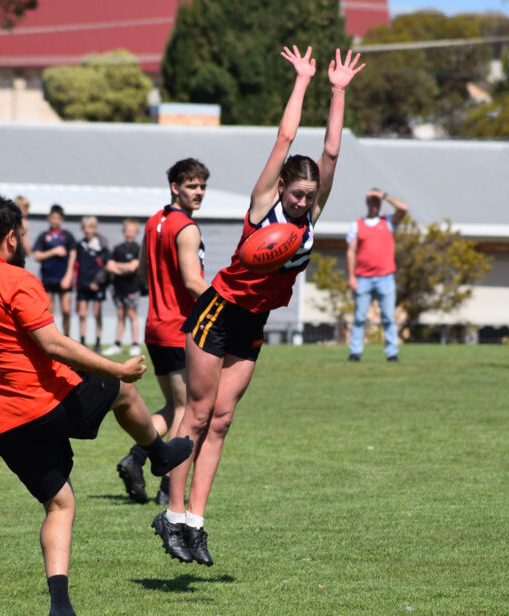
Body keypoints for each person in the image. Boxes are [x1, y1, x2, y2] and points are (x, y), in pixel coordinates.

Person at [0, 194, 193, 616]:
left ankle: (61, 608)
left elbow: (9, 344)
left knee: (60, 504)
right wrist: (116, 368)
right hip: (41, 405)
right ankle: (157, 454)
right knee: (124, 390)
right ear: (10, 237)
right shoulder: (16, 280)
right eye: (19, 233)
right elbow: (52, 344)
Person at [151, 46, 364, 566]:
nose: (303, 202)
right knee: (196, 415)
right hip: (217, 311)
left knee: (221, 421)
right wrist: (302, 81)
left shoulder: (310, 216)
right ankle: (172, 515)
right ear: (282, 189)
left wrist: (337, 92)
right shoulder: (263, 204)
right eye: (297, 194)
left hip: (254, 323)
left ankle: (197, 522)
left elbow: (331, 154)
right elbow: (285, 138)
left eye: (310, 196)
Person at [116, 158, 210, 506]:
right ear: (175, 187)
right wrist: (228, 306)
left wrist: (162, 289)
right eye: (191, 186)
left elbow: (142, 270)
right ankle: (169, 487)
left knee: (174, 405)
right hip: (179, 329)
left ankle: (136, 459)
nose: (198, 192)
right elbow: (192, 281)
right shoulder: (186, 228)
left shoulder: (154, 221)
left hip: (155, 327)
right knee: (188, 410)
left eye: (202, 186)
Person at [346, 188, 407, 362]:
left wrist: (385, 196)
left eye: (376, 200)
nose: (374, 203)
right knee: (359, 317)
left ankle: (391, 353)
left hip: (385, 277)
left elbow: (403, 209)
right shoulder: (357, 224)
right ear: (367, 202)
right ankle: (355, 352)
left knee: (388, 317)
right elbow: (351, 251)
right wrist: (351, 277)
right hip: (363, 278)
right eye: (371, 200)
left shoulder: (388, 221)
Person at [32, 204, 76, 337]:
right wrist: (54, 251)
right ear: (49, 218)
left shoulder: (67, 236)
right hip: (48, 277)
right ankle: (53, 337)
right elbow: (37, 256)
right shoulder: (43, 236)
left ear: (61, 219)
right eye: (53, 218)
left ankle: (67, 336)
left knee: (66, 310)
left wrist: (69, 275)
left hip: (64, 277)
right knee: (50, 310)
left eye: (58, 218)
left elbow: (73, 255)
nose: (55, 220)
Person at [102, 219, 145, 357]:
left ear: (136, 233)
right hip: (119, 288)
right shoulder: (118, 249)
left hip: (132, 288)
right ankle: (117, 344)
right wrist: (125, 267)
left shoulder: (139, 249)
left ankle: (135, 344)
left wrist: (119, 267)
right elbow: (109, 266)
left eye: (132, 231)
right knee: (120, 316)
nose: (130, 234)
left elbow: (134, 267)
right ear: (124, 232)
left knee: (132, 315)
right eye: (128, 231)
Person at [75, 216, 109, 351]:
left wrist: (98, 282)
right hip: (83, 283)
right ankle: (82, 341)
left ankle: (97, 341)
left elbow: (106, 266)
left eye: (90, 227)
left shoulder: (101, 245)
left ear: (94, 228)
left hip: (97, 284)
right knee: (82, 314)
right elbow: (76, 264)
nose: (87, 230)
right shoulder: (80, 245)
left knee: (97, 313)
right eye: (85, 228)